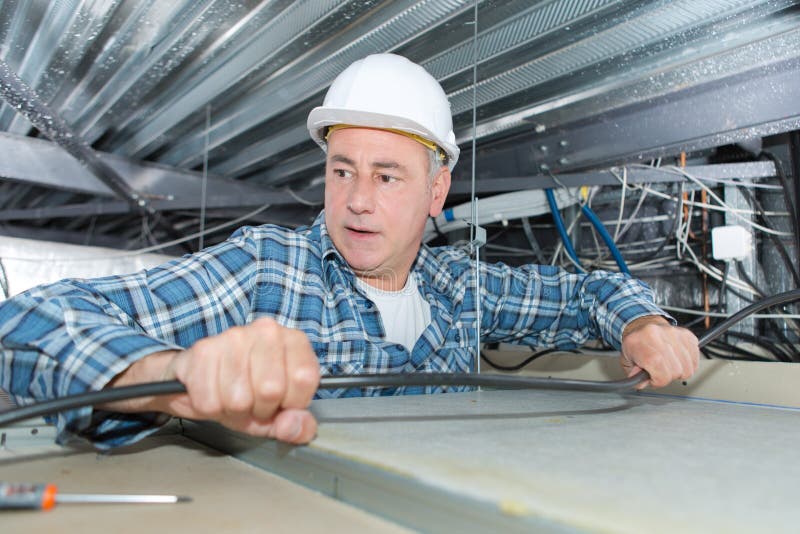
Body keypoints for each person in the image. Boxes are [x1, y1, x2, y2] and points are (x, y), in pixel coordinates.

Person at [0, 54, 698, 449]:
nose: (357, 199)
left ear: (437, 189)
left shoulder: (463, 287)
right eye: (342, 170)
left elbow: (584, 295)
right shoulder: (267, 270)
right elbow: (26, 323)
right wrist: (169, 373)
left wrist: (643, 324)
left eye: (387, 176)